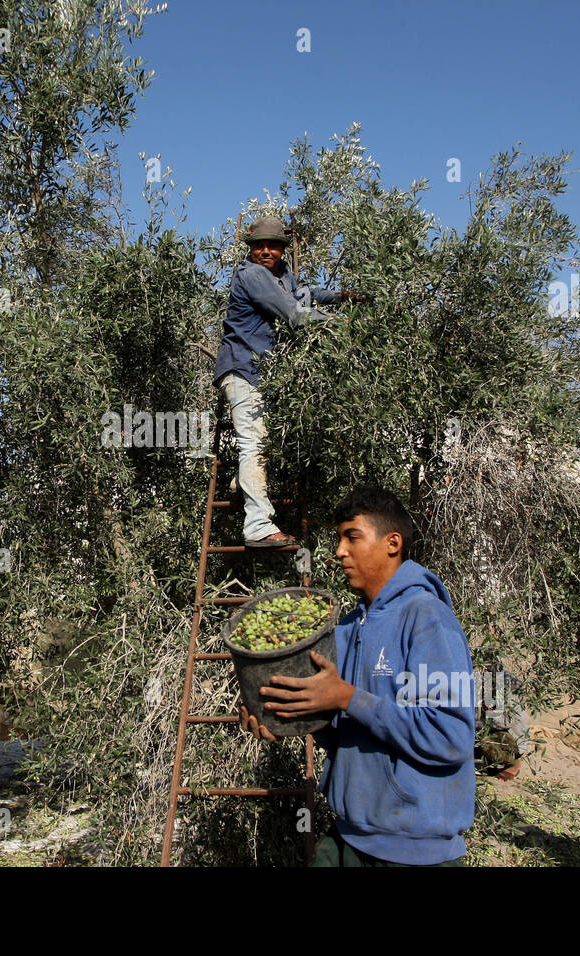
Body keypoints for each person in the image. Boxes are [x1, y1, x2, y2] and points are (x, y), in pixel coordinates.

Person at [240, 485, 475, 866]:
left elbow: (451, 737)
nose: (339, 551)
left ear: (392, 543)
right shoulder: (346, 629)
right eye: (338, 538)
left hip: (416, 852)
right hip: (348, 839)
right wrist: (287, 714)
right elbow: (344, 733)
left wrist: (349, 697)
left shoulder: (427, 618)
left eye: (352, 537)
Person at [213, 215, 363, 547]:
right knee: (254, 444)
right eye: (259, 246)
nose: (265, 251)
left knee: (266, 442)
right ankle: (257, 526)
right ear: (250, 248)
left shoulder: (281, 276)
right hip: (243, 368)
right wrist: (339, 325)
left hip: (260, 373)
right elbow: (294, 314)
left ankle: (242, 483)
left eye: (273, 245)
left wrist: (340, 296)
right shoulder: (252, 276)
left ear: (282, 248)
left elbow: (303, 294)